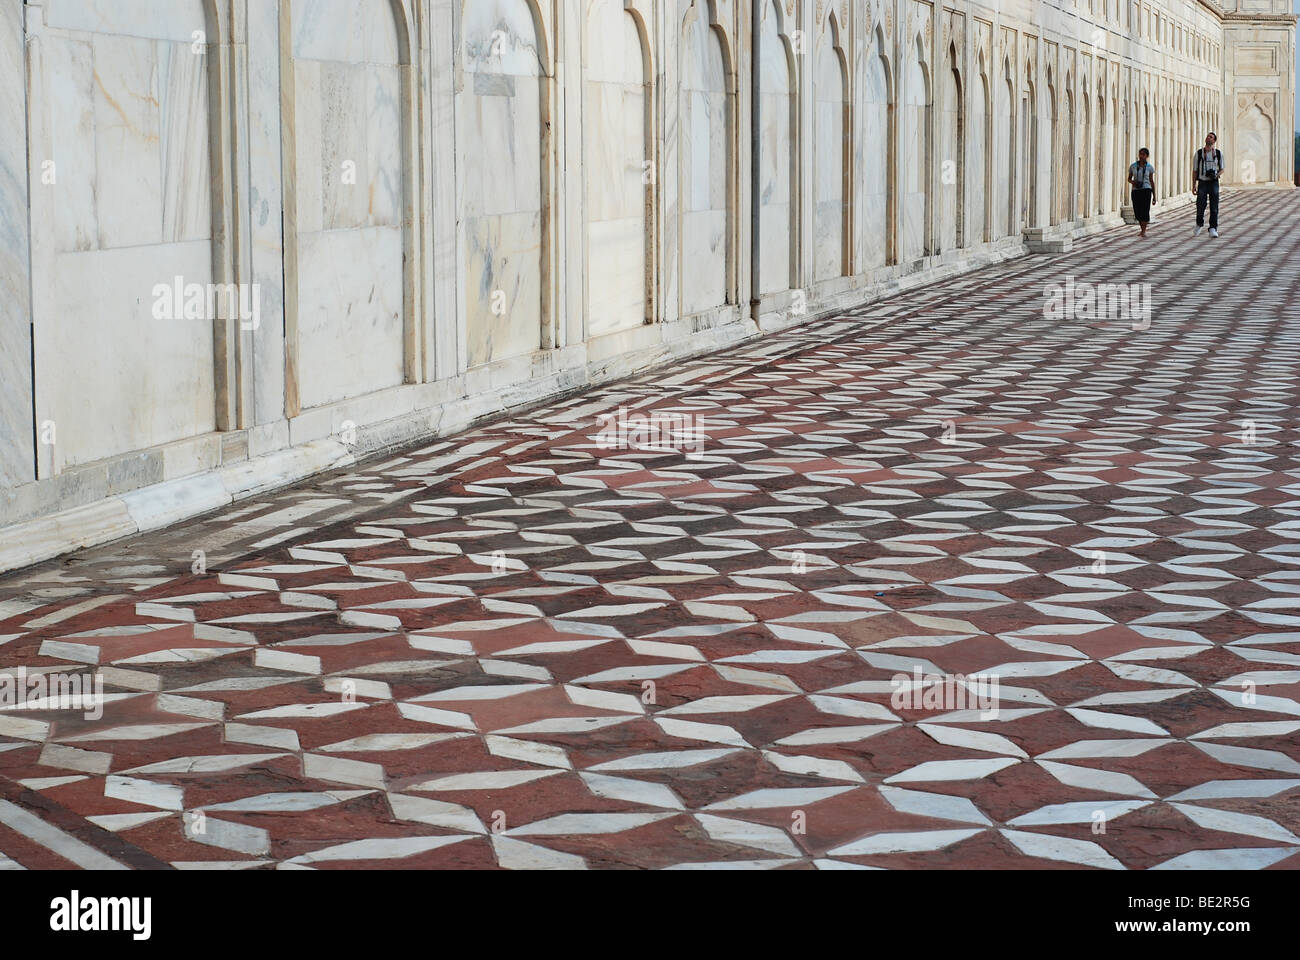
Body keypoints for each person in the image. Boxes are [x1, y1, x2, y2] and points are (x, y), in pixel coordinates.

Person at [1191, 132, 1224, 237]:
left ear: (1214, 141)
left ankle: (1213, 228)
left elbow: (1222, 169)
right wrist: (1193, 184)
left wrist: (1216, 175)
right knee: (1200, 205)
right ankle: (1199, 223)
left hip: (1213, 182)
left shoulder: (1218, 153)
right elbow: (1195, 170)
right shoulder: (1199, 153)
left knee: (1214, 207)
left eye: (1211, 137)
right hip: (1203, 182)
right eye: (1208, 136)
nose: (1208, 138)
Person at [1127, 148, 1155, 237]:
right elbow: (1129, 178)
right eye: (1140, 154)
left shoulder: (1149, 167)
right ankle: (1141, 228)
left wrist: (1154, 196)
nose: (1141, 156)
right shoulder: (1133, 166)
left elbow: (1151, 181)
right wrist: (1133, 182)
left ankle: (1143, 230)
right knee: (1137, 210)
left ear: (1147, 156)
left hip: (1146, 190)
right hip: (1136, 190)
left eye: (1143, 154)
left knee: (1145, 210)